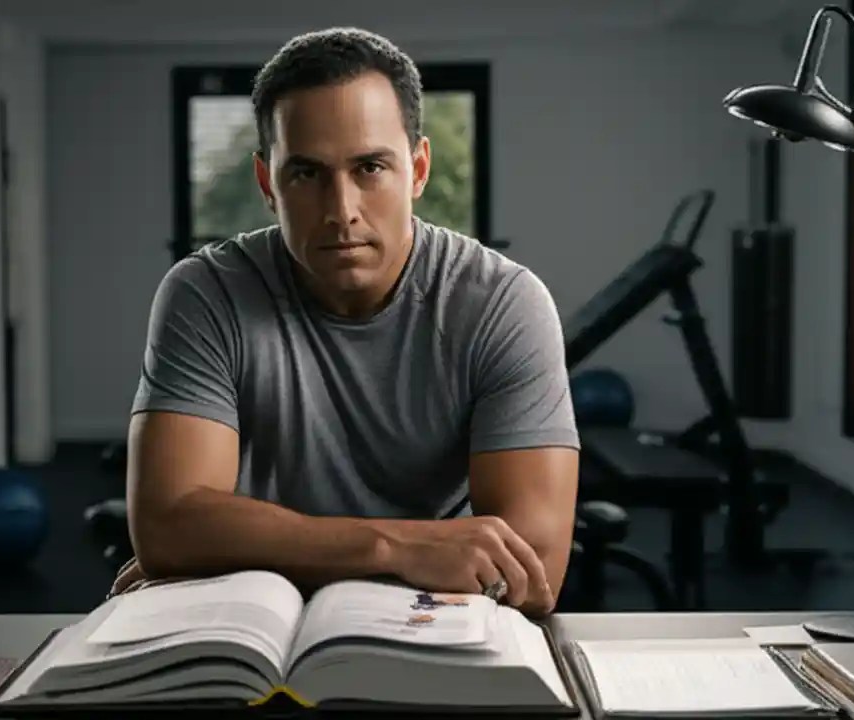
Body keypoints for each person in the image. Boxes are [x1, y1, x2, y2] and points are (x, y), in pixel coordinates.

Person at [114, 27, 579, 618]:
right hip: (260, 622)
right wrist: (398, 545)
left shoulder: (504, 303)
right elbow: (168, 529)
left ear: (417, 170)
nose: (341, 211)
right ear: (267, 183)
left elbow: (532, 570)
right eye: (307, 174)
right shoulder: (206, 292)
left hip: (432, 623)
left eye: (370, 168)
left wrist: (230, 548)